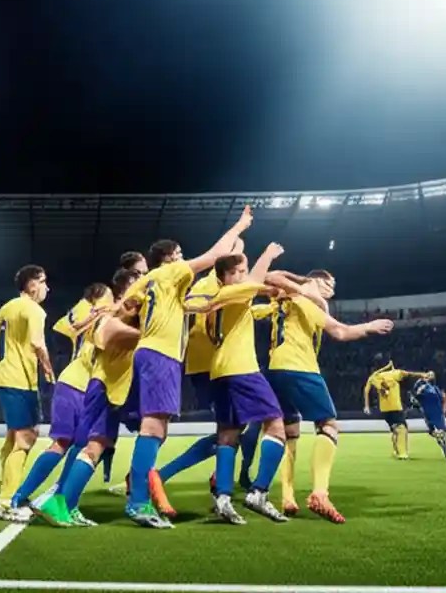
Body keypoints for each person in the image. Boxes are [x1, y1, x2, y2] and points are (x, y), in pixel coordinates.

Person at [117, 206, 254, 527]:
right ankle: (138, 502)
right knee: (153, 428)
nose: (183, 259)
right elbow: (216, 255)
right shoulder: (172, 272)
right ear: (168, 259)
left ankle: (140, 496)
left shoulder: (148, 281)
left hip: (150, 353)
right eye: (178, 254)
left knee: (157, 429)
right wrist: (240, 226)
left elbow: (126, 308)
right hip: (161, 354)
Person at [264, 271, 393, 523]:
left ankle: (287, 497)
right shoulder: (307, 300)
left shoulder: (286, 299)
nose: (332, 290)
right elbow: (340, 332)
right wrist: (369, 326)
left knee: (289, 433)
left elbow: (272, 277)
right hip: (300, 367)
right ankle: (320, 494)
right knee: (328, 425)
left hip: (275, 368)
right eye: (329, 284)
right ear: (315, 281)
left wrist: (301, 284)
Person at [185, 244, 291, 525]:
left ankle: (223, 499)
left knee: (228, 433)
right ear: (228, 275)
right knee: (276, 425)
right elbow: (258, 281)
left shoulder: (221, 294)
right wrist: (268, 255)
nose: (244, 275)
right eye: (239, 271)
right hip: (241, 368)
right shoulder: (236, 292)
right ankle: (259, 492)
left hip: (219, 370)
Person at [36, 268, 144, 526]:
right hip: (105, 387)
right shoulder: (113, 316)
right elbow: (107, 333)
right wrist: (149, 334)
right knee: (91, 447)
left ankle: (66, 504)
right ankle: (60, 501)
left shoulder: (117, 313)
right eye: (139, 285)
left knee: (92, 446)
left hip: (108, 387)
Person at [12, 283, 110, 519]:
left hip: (83, 387)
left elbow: (66, 326)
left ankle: (53, 495)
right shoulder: (91, 312)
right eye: (108, 297)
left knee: (78, 445)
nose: (112, 301)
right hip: (75, 385)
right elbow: (67, 326)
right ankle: (22, 496)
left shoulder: (97, 316)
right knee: (65, 443)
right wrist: (96, 312)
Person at [0, 265, 53, 522]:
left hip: (6, 378)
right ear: (32, 285)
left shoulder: (8, 307)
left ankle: (4, 487)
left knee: (15, 435)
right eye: (43, 282)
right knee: (26, 438)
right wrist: (48, 368)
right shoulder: (34, 310)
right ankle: (6, 501)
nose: (47, 288)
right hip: (20, 381)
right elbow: (37, 342)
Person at [362, 362, 425, 460]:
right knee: (402, 428)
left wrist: (366, 406)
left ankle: (396, 451)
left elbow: (366, 390)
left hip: (384, 409)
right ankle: (402, 453)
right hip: (395, 407)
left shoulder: (374, 376)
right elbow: (409, 374)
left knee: (396, 429)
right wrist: (422, 374)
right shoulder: (394, 373)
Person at [411, 373, 446, 459]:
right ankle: (441, 441)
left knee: (434, 431)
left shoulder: (426, 387)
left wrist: (416, 403)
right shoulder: (434, 388)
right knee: (439, 431)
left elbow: (416, 396)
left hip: (430, 412)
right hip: (435, 412)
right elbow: (442, 398)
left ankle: (440, 440)